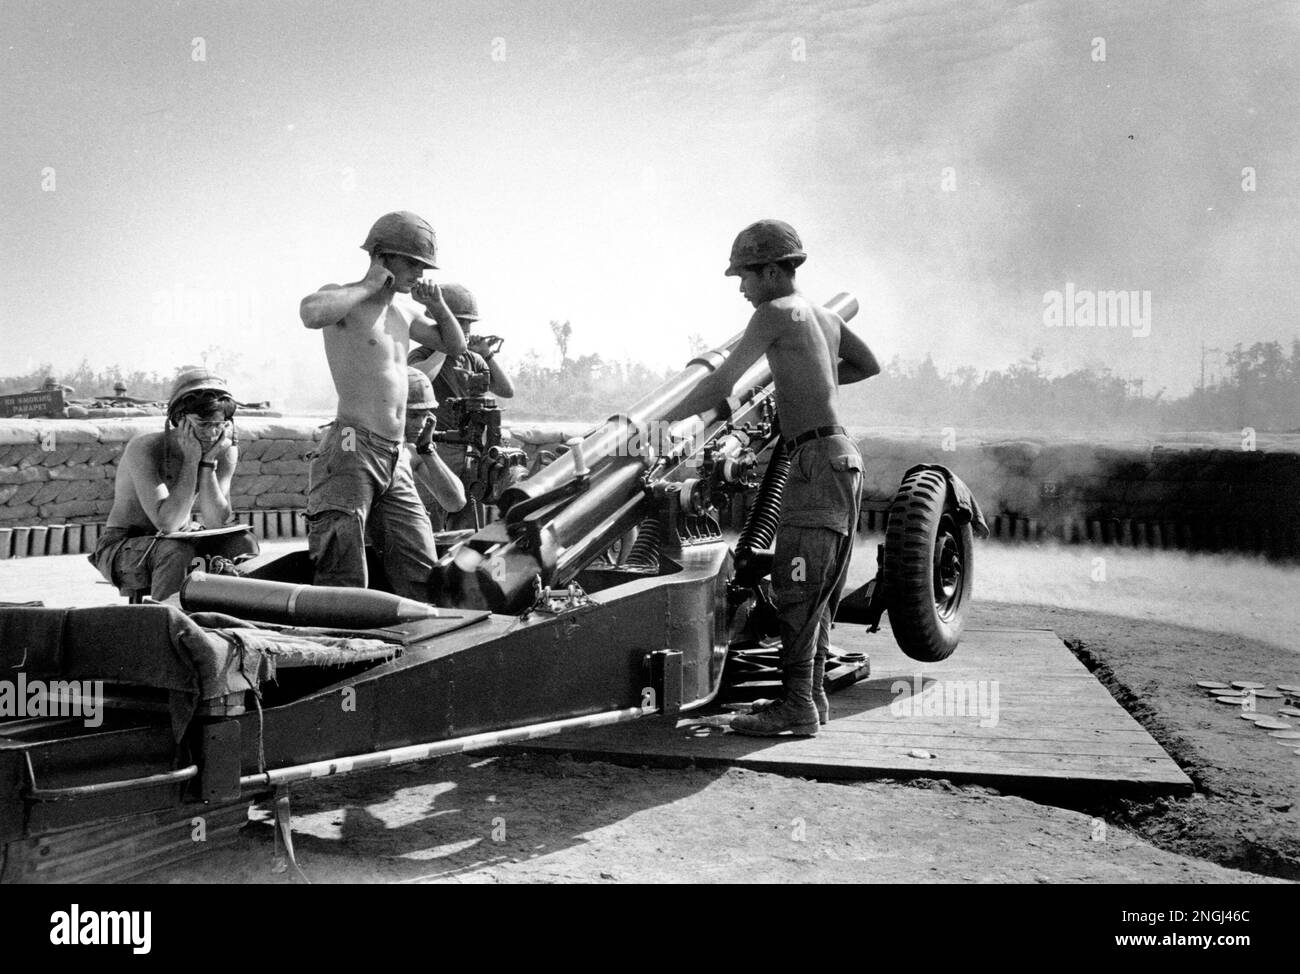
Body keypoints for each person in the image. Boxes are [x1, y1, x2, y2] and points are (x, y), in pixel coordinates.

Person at [664, 219, 881, 736]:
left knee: (797, 580)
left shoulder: (773, 312)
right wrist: (813, 382)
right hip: (839, 455)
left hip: (813, 460)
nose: (741, 288)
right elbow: (868, 364)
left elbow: (723, 379)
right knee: (820, 583)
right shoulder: (825, 317)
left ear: (772, 270)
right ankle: (811, 699)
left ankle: (796, 708)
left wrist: (665, 421)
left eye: (745, 276)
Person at [298, 211, 467, 599]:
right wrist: (368, 284)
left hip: (396, 454)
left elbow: (455, 345)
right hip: (351, 446)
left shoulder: (405, 313)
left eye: (424, 266)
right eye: (411, 262)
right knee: (342, 572)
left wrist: (439, 307)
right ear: (381, 256)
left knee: (420, 567)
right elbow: (310, 313)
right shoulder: (345, 298)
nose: (419, 273)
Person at [90, 368, 258, 601]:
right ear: (180, 419)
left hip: (181, 536)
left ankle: (224, 618)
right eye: (202, 423)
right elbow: (167, 523)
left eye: (219, 424)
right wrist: (191, 460)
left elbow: (216, 521)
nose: (211, 433)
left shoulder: (224, 451)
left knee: (242, 542)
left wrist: (207, 463)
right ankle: (166, 624)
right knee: (176, 552)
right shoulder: (145, 448)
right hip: (124, 545)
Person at [408, 283, 514, 529]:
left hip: (470, 451)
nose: (465, 329)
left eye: (468, 323)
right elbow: (414, 380)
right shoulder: (422, 355)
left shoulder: (473, 360)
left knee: (467, 521)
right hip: (436, 447)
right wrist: (444, 349)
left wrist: (486, 355)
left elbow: (505, 390)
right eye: (459, 322)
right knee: (430, 517)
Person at [402, 366, 467, 520]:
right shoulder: (349, 436)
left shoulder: (411, 453)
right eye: (413, 416)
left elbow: (455, 502)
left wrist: (426, 449)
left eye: (425, 416)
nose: (420, 424)